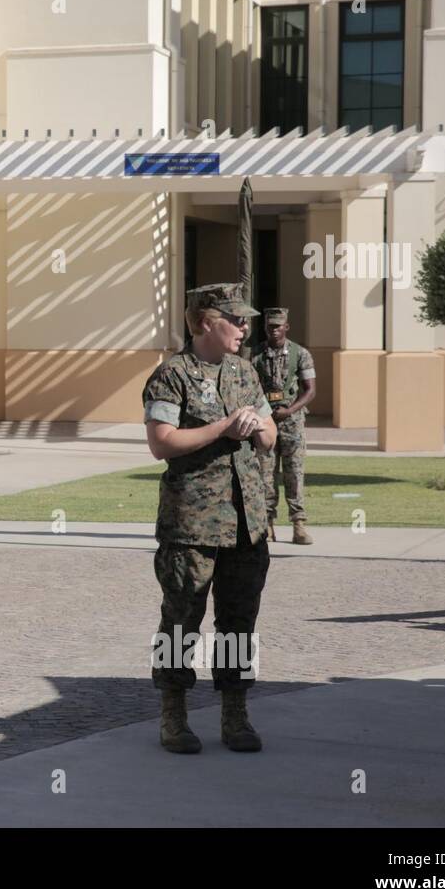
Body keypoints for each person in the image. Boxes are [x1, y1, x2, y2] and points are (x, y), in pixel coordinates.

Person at [141, 283, 276, 754]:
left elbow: (271, 433)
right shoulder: (170, 376)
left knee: (240, 621)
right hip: (192, 525)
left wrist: (258, 428)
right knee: (181, 619)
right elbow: (162, 443)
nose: (245, 327)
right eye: (235, 319)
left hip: (247, 523)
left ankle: (235, 714)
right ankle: (173, 714)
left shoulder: (245, 372)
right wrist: (221, 427)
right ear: (204, 323)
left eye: (245, 319)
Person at [250, 308, 316, 545]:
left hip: (292, 423)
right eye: (270, 326)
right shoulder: (255, 355)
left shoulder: (301, 354)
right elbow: (249, 389)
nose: (274, 330)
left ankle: (299, 525)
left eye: (278, 326)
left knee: (294, 474)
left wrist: (289, 410)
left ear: (287, 327)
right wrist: (263, 413)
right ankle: (267, 525)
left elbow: (310, 390)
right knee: (265, 475)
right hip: (265, 422)